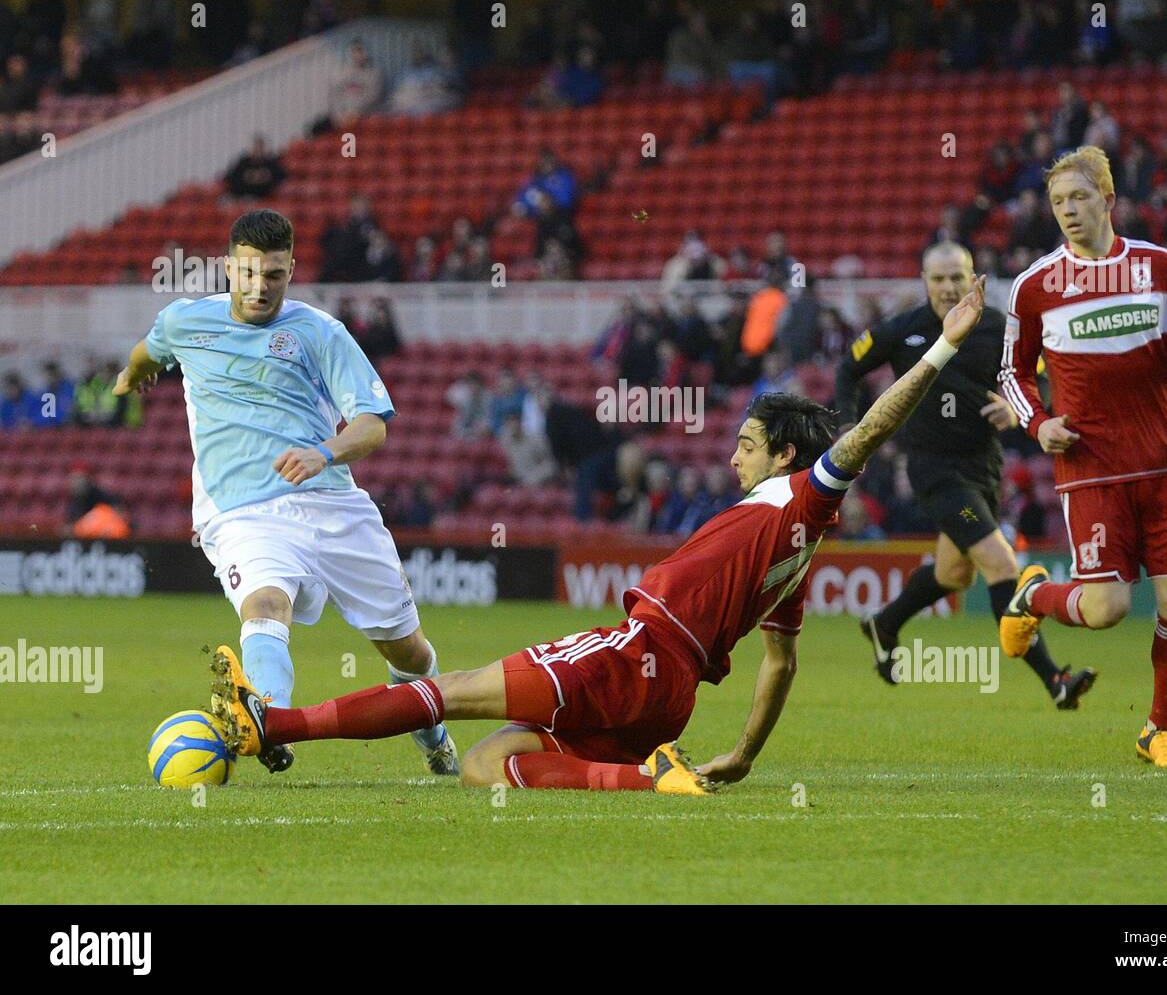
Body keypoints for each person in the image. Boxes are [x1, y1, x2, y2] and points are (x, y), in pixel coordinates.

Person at [206, 274, 990, 792]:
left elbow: (863, 436)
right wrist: (746, 753)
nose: (731, 453)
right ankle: (654, 777)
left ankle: (276, 721)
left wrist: (947, 344)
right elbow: (779, 661)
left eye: (746, 443)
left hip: (636, 652)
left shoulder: (797, 497)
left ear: (785, 453)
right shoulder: (795, 556)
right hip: (671, 699)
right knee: (489, 765)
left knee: (447, 692)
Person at [111, 209, 458, 778]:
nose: (259, 287)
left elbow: (373, 424)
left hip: (331, 501)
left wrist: (324, 452)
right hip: (240, 508)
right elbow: (149, 350)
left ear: (291, 270)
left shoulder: (319, 332)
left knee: (410, 654)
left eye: (273, 274)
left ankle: (434, 738)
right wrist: (132, 375)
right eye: (248, 272)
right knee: (267, 605)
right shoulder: (184, 323)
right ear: (228, 268)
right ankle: (268, 721)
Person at [999, 146, 1167, 769]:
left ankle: (1159, 729)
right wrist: (1038, 424)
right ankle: (1035, 594)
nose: (1068, 211)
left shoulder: (1159, 266)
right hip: (1092, 468)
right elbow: (1012, 374)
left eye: (1079, 198)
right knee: (1107, 610)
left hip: (1166, 461)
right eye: (1058, 202)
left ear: (1108, 199)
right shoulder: (1035, 286)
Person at [836, 242, 1094, 708]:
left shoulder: (998, 327)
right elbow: (848, 370)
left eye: (956, 276)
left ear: (974, 277)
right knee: (1000, 564)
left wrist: (1019, 411)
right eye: (937, 278)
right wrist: (848, 427)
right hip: (933, 468)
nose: (947, 287)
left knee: (955, 575)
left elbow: (1044, 374)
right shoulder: (903, 330)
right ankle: (1055, 680)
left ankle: (884, 623)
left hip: (983, 464)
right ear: (923, 281)